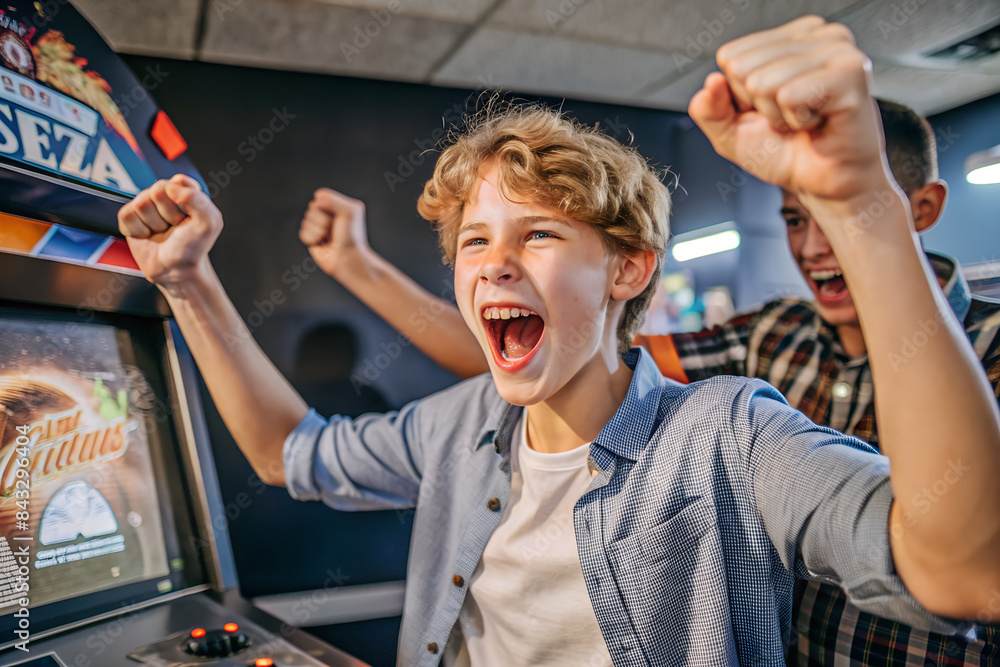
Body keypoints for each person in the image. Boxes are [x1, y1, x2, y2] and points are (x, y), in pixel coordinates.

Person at [117, 17, 1000, 666]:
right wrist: (187, 279)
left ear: (627, 269)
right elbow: (284, 451)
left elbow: (966, 571)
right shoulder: (458, 425)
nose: (495, 263)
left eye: (538, 233)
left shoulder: (729, 434)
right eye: (474, 241)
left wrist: (859, 203)